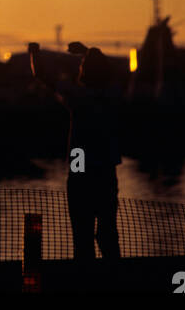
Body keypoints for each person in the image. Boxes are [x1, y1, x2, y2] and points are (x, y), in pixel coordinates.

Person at [29, 40, 122, 262]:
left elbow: (42, 74)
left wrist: (34, 52)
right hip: (106, 173)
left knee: (82, 239)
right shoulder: (113, 96)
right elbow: (103, 74)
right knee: (108, 235)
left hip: (80, 173)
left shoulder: (78, 97)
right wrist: (87, 52)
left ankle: (85, 282)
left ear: (84, 72)